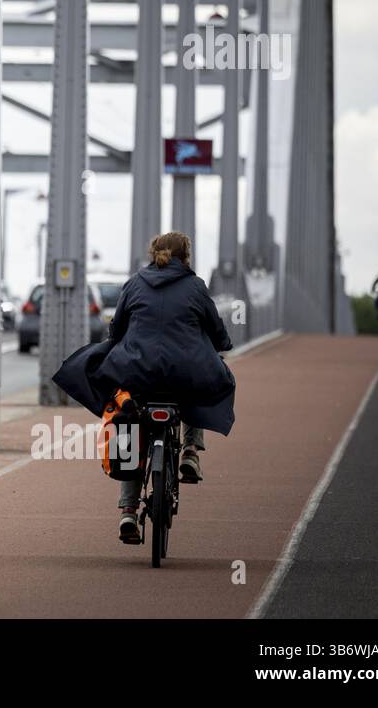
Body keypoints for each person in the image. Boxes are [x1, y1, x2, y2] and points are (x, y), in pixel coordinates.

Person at [52, 231, 236, 545]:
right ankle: (191, 450)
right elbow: (216, 330)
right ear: (185, 256)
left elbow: (116, 328)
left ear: (154, 254)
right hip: (182, 371)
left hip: (136, 371)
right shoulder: (196, 286)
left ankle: (127, 511)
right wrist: (219, 344)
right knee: (202, 384)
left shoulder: (135, 283)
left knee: (132, 425)